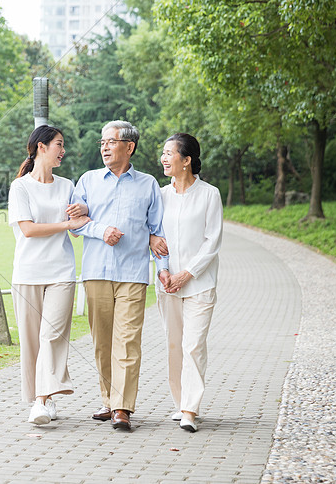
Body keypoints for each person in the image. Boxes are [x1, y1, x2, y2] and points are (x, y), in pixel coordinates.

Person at [70, 120, 168, 431]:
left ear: (129, 146)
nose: (104, 147)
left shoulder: (148, 184)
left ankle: (122, 407)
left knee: (127, 341)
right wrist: (101, 230)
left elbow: (159, 231)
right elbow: (75, 222)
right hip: (96, 271)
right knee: (102, 342)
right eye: (102, 143)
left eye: (111, 142)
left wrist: (163, 268)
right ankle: (108, 400)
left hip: (133, 273)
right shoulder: (87, 181)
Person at [8, 125, 90, 425]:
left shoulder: (67, 186)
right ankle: (43, 399)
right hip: (27, 273)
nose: (63, 150)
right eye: (59, 144)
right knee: (32, 342)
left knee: (51, 336)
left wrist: (82, 211)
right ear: (41, 147)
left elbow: (78, 228)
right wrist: (66, 225)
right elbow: (28, 229)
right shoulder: (20, 187)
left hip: (61, 272)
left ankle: (41, 402)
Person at [155, 133, 223, 433]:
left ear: (187, 160)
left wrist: (187, 273)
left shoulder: (210, 194)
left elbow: (212, 242)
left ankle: (190, 410)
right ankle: (180, 401)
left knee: (193, 346)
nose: (164, 158)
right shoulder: (160, 195)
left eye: (169, 153)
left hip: (199, 284)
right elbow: (154, 236)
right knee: (174, 345)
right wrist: (164, 271)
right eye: (163, 153)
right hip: (167, 283)